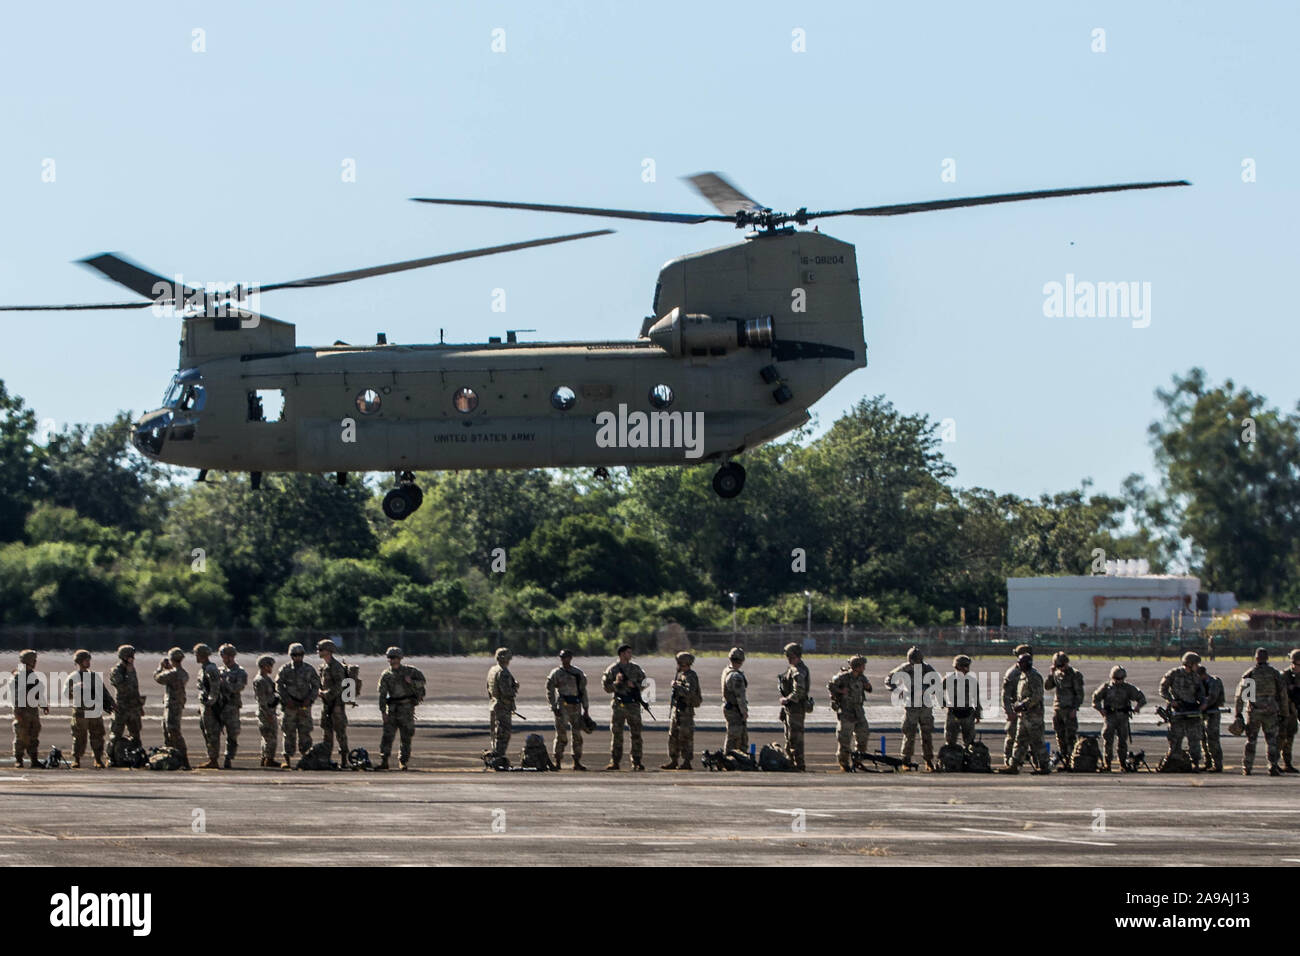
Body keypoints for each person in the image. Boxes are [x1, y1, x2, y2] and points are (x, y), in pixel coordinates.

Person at [1234, 647, 1288, 776]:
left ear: (1256, 658)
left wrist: (1238, 713)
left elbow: (1241, 695)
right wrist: (1284, 713)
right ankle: (1273, 766)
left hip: (1254, 712)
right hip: (1271, 712)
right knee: (1271, 741)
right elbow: (1283, 694)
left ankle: (1247, 767)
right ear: (1267, 658)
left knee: (1251, 740)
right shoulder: (1275, 673)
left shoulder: (1250, 673)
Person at [886, 646, 938, 770]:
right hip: (911, 706)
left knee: (927, 734)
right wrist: (897, 691)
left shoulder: (927, 668)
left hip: (925, 706)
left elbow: (937, 683)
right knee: (909, 734)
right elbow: (889, 679)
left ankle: (928, 760)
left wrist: (929, 690)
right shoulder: (905, 668)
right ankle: (906, 760)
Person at [997, 653, 1050, 775]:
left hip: (1034, 716)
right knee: (1019, 741)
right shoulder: (1022, 676)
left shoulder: (1034, 677)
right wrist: (1017, 705)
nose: (1018, 665)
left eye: (1021, 663)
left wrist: (1025, 704)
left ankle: (1044, 765)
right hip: (1023, 715)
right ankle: (1014, 765)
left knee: (1038, 741)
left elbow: (1037, 695)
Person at [377, 646, 425, 770]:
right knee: (387, 736)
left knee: (406, 737)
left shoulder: (410, 671)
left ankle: (403, 761)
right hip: (392, 709)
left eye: (394, 657)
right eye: (390, 658)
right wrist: (383, 711)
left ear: (400, 658)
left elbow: (422, 682)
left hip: (406, 709)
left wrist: (411, 682)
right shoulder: (386, 675)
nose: (392, 660)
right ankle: (384, 759)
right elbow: (382, 695)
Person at [602, 644, 648, 771]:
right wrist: (616, 683)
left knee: (636, 733)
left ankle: (637, 761)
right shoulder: (613, 669)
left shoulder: (636, 668)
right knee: (617, 734)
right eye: (628, 652)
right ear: (621, 654)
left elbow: (644, 682)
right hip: (619, 704)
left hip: (633, 704)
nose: (630, 655)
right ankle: (615, 761)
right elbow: (606, 687)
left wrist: (635, 685)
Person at [1091, 666, 1146, 771]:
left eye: (1121, 679)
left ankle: (1122, 764)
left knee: (1122, 742)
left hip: (1123, 717)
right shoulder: (1106, 687)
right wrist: (1100, 710)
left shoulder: (1128, 688)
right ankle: (1107, 764)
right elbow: (1095, 699)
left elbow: (1141, 698)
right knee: (1108, 741)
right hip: (1110, 717)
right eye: (1116, 678)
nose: (1118, 681)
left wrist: (1137, 707)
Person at [275, 643, 320, 768]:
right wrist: (286, 699)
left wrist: (310, 699)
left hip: (304, 705)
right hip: (290, 706)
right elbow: (278, 685)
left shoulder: (309, 669)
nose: (298, 657)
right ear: (291, 656)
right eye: (295, 655)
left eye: (300, 655)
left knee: (305, 732)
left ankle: (306, 760)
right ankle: (287, 760)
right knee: (288, 732)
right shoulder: (285, 669)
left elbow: (316, 685)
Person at [1158, 651, 1206, 768]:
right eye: (1196, 664)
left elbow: (1200, 692)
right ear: (1189, 664)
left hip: (1192, 711)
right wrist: (1171, 701)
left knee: (1195, 739)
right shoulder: (1174, 674)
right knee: (1175, 739)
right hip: (1178, 711)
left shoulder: (1196, 677)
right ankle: (1174, 762)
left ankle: (1195, 763)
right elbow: (1163, 688)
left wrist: (1202, 703)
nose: (1197, 666)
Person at [545, 649, 590, 770]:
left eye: (567, 657)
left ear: (571, 658)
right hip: (562, 706)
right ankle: (558, 760)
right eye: (563, 657)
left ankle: (577, 761)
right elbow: (550, 690)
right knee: (561, 735)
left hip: (575, 706)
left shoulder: (578, 673)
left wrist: (586, 708)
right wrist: (553, 706)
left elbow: (583, 691)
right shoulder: (556, 673)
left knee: (577, 735)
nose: (565, 660)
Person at [66, 650, 111, 769]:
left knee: (98, 736)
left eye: (89, 660)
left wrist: (111, 704)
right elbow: (66, 694)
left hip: (95, 711)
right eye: (86, 660)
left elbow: (103, 692)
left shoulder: (94, 676)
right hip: (80, 712)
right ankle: (76, 759)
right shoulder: (73, 677)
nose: (88, 662)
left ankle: (98, 759)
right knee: (79, 737)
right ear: (80, 662)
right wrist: (76, 689)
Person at [828, 655, 872, 771]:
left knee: (863, 735)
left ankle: (858, 760)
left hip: (858, 711)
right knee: (845, 739)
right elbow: (830, 685)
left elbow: (869, 688)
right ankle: (844, 763)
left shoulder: (862, 677)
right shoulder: (843, 677)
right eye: (862, 665)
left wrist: (867, 686)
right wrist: (840, 691)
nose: (864, 667)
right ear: (856, 666)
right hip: (846, 711)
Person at [152, 647, 191, 770]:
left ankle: (182, 760)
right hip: (177, 704)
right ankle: (172, 757)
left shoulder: (173, 673)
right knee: (169, 730)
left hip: (172, 705)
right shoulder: (183, 673)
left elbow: (158, 678)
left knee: (172, 730)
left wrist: (160, 667)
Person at [1044, 652, 1085, 769]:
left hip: (1069, 709)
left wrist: (1075, 708)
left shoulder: (1075, 675)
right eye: (1058, 666)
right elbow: (1047, 687)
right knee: (1060, 736)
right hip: (1058, 709)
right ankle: (1065, 761)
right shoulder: (1056, 674)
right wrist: (1051, 674)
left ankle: (1072, 762)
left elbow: (1079, 695)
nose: (1061, 668)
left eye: (1062, 665)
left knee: (1070, 737)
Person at [662, 651, 702, 770]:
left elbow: (690, 693)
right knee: (673, 736)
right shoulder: (682, 675)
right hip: (678, 711)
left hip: (686, 712)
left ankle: (686, 761)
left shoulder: (691, 676)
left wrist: (677, 686)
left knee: (685, 737)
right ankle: (673, 760)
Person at [107, 644, 145, 764]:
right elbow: (123, 687)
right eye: (130, 656)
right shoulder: (116, 671)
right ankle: (111, 757)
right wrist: (129, 673)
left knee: (135, 734)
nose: (132, 658)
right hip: (122, 707)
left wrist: (140, 706)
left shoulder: (132, 670)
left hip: (133, 708)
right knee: (116, 733)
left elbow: (135, 688)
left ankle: (135, 756)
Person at [317, 638, 351, 767]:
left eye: (321, 649)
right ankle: (327, 759)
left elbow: (340, 685)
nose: (318, 651)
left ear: (329, 651)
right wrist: (320, 691)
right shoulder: (324, 667)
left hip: (336, 705)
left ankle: (344, 760)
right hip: (327, 705)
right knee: (326, 732)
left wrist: (327, 693)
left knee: (340, 733)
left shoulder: (336, 667)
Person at [778, 642, 812, 771]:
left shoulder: (799, 671)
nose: (788, 659)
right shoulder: (793, 668)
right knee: (789, 737)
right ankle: (791, 762)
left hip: (796, 709)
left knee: (795, 738)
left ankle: (799, 764)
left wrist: (787, 699)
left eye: (790, 656)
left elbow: (799, 691)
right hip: (791, 709)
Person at [10, 649, 47, 768]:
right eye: (33, 660)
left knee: (34, 736)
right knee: (21, 737)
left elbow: (38, 693)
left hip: (32, 711)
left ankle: (34, 760)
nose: (35, 662)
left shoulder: (32, 676)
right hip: (22, 711)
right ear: (28, 661)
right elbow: (15, 696)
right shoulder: (18, 678)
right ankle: (19, 759)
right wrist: (17, 712)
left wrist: (43, 704)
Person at [214, 644, 247, 769]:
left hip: (232, 706)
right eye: (222, 656)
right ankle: (214, 758)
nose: (224, 658)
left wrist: (225, 683)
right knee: (214, 733)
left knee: (232, 734)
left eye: (225, 655)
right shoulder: (219, 670)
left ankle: (229, 757)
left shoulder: (240, 672)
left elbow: (238, 687)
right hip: (219, 707)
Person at [193, 643, 223, 769]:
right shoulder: (204, 669)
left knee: (212, 733)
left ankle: (213, 759)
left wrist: (210, 703)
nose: (196, 657)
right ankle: (211, 757)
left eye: (197, 654)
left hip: (211, 707)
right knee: (206, 732)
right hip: (205, 706)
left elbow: (215, 687)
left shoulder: (210, 669)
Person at [1001, 644, 1032, 767]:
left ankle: (1019, 759)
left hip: (1028, 711)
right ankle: (1008, 760)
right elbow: (1005, 695)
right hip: (1016, 710)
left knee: (1026, 737)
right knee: (1011, 737)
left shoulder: (1029, 671)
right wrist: (1009, 712)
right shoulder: (1013, 673)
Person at [486, 647, 518, 761]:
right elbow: (506, 692)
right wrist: (514, 689)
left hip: (494, 703)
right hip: (502, 706)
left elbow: (488, 687)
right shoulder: (502, 672)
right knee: (503, 732)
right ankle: (499, 756)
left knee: (496, 732)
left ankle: (495, 754)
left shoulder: (492, 670)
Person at [942, 654, 981, 748]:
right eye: (964, 666)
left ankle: (968, 759)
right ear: (957, 666)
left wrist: (978, 714)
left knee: (969, 742)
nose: (966, 668)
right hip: (953, 712)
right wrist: (944, 703)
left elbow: (976, 698)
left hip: (968, 713)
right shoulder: (948, 679)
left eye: (967, 666)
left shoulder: (972, 680)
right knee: (950, 741)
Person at [720, 647, 749, 756]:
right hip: (734, 709)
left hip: (728, 707)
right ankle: (731, 758)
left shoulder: (726, 671)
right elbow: (740, 696)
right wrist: (744, 711)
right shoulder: (736, 676)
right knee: (736, 736)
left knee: (734, 734)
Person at [1198, 663, 1226, 773]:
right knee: (1203, 739)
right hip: (1202, 713)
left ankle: (1217, 764)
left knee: (1212, 739)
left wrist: (1203, 705)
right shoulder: (1200, 683)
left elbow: (1212, 697)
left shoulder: (1214, 682)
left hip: (1212, 713)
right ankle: (1208, 762)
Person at [253, 655, 279, 767]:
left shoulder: (266, 679)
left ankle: (266, 758)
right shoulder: (260, 681)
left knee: (268, 736)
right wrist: (267, 713)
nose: (271, 667)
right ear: (263, 666)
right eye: (269, 665)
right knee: (270, 736)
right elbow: (261, 700)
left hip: (270, 710)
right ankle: (269, 759)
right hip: (266, 712)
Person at [1282, 649, 1300, 773]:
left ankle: (1287, 763)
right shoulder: (1284, 676)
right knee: (1280, 738)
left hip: (1294, 712)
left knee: (1290, 737)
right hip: (1284, 711)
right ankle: (1273, 763)